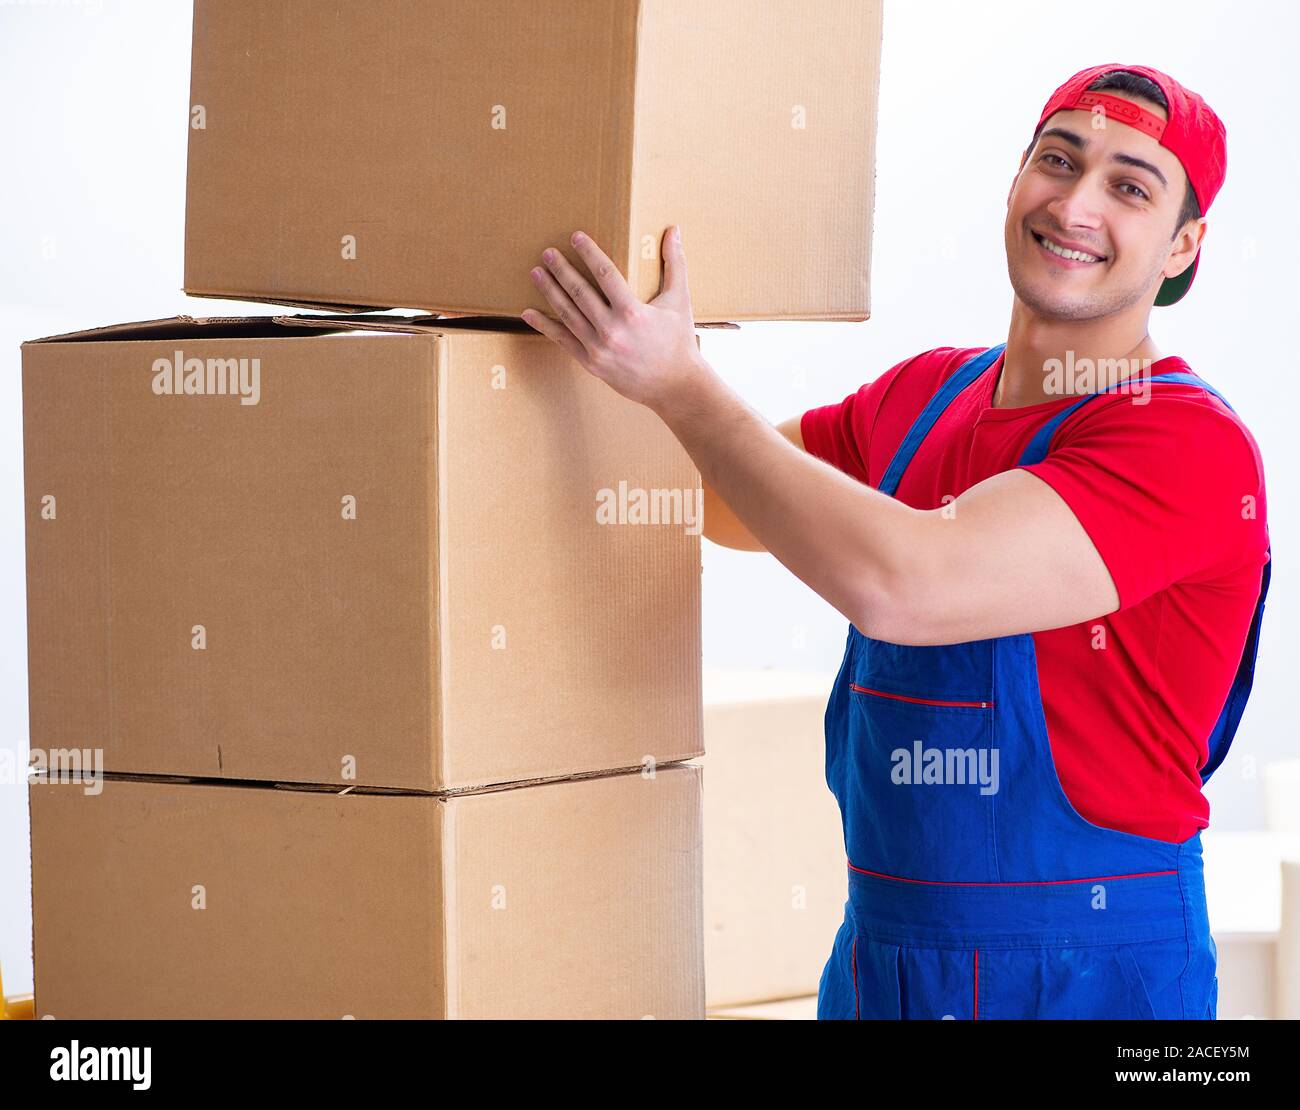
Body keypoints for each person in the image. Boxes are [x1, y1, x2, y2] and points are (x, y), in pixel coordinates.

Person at [521, 63, 1270, 1020]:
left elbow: (908, 583)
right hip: (885, 967)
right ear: (1015, 183)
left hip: (1098, 978)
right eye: (1057, 159)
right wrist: (609, 356)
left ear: (1182, 247)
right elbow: (712, 501)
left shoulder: (1187, 445)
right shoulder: (924, 400)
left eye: (1130, 186)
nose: (1076, 203)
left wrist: (681, 386)